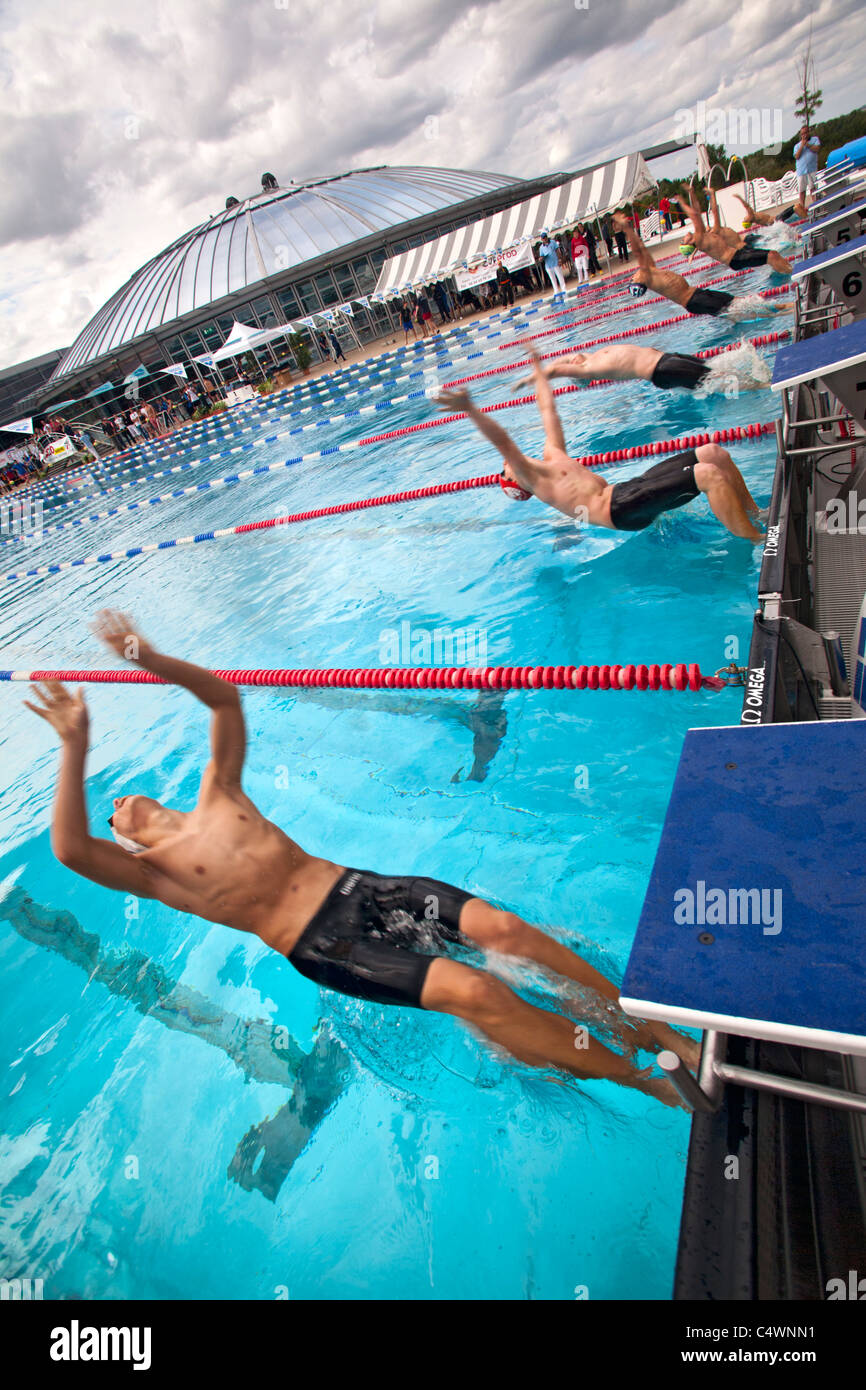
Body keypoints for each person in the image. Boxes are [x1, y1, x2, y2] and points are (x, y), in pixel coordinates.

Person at [26, 609, 699, 1105]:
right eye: (108, 811)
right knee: (476, 990)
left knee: (505, 931)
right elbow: (69, 848)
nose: (115, 803)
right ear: (124, 838)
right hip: (329, 944)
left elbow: (223, 698)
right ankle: (637, 1079)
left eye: (115, 798)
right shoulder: (156, 874)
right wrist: (73, 746)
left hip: (365, 888)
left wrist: (148, 657)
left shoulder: (217, 792)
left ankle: (646, 1028)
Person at [434, 348, 764, 542]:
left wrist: (540, 372)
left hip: (627, 490)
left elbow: (548, 410)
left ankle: (757, 513)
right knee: (707, 474)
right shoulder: (532, 477)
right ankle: (756, 539)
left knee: (712, 453)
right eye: (505, 468)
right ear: (513, 480)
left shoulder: (553, 457)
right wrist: (471, 410)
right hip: (621, 509)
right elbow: (503, 442)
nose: (506, 464)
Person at [612, 212, 790, 320]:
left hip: (698, 293)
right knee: (738, 310)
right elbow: (637, 251)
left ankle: (784, 307)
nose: (633, 275)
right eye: (633, 278)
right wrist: (626, 229)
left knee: (738, 303)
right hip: (694, 301)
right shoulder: (646, 274)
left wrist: (628, 229)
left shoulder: (651, 270)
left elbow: (641, 249)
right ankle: (780, 312)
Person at [514, 340, 770, 395]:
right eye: (571, 363)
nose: (571, 359)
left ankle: (759, 379)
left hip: (666, 357)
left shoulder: (589, 357)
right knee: (719, 378)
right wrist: (528, 379)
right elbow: (557, 371)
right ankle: (766, 386)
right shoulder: (587, 369)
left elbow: (564, 359)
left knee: (712, 369)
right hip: (661, 370)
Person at [674, 187, 792, 275]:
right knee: (771, 256)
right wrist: (683, 201)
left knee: (773, 254)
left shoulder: (704, 235)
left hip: (737, 254)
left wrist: (693, 193)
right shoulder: (699, 239)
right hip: (735, 259)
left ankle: (790, 270)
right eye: (683, 240)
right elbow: (695, 215)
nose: (684, 236)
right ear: (688, 244)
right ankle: (791, 275)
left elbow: (711, 211)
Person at [793, 125, 820, 203]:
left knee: (813, 189)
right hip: (801, 171)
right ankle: (802, 208)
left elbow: (817, 149)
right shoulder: (797, 146)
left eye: (805, 133)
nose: (804, 135)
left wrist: (807, 145)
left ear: (808, 132)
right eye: (802, 134)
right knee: (802, 191)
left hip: (812, 169)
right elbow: (797, 156)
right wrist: (802, 145)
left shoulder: (815, 140)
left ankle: (816, 205)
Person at [537, 233, 566, 297]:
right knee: (552, 279)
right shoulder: (541, 247)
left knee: (560, 276)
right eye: (543, 238)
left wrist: (560, 259)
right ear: (541, 239)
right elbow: (541, 256)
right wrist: (541, 258)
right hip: (548, 265)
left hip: (555, 262)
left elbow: (557, 251)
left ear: (547, 237)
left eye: (545, 237)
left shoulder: (553, 242)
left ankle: (563, 288)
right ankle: (556, 290)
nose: (545, 239)